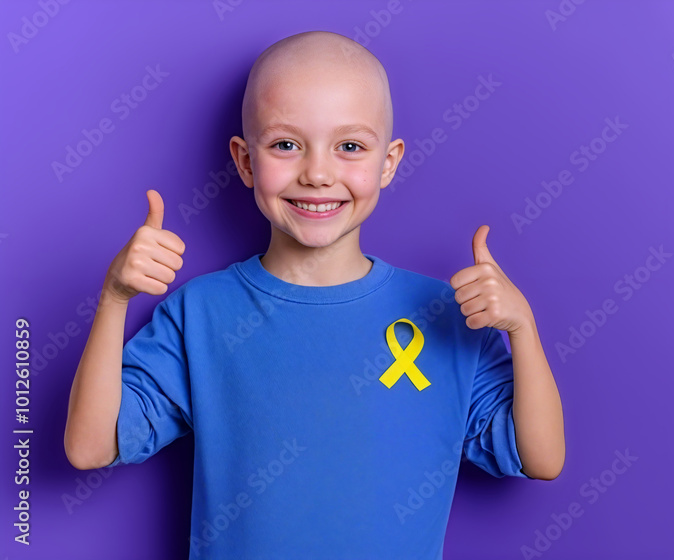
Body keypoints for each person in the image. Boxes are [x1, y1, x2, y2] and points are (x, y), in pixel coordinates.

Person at [63, 30, 565, 559]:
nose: (318, 173)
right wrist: (114, 298)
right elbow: (89, 447)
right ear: (245, 160)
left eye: (349, 146)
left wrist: (523, 328)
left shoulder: (445, 316)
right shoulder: (202, 313)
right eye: (286, 144)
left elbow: (542, 458)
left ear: (389, 162)